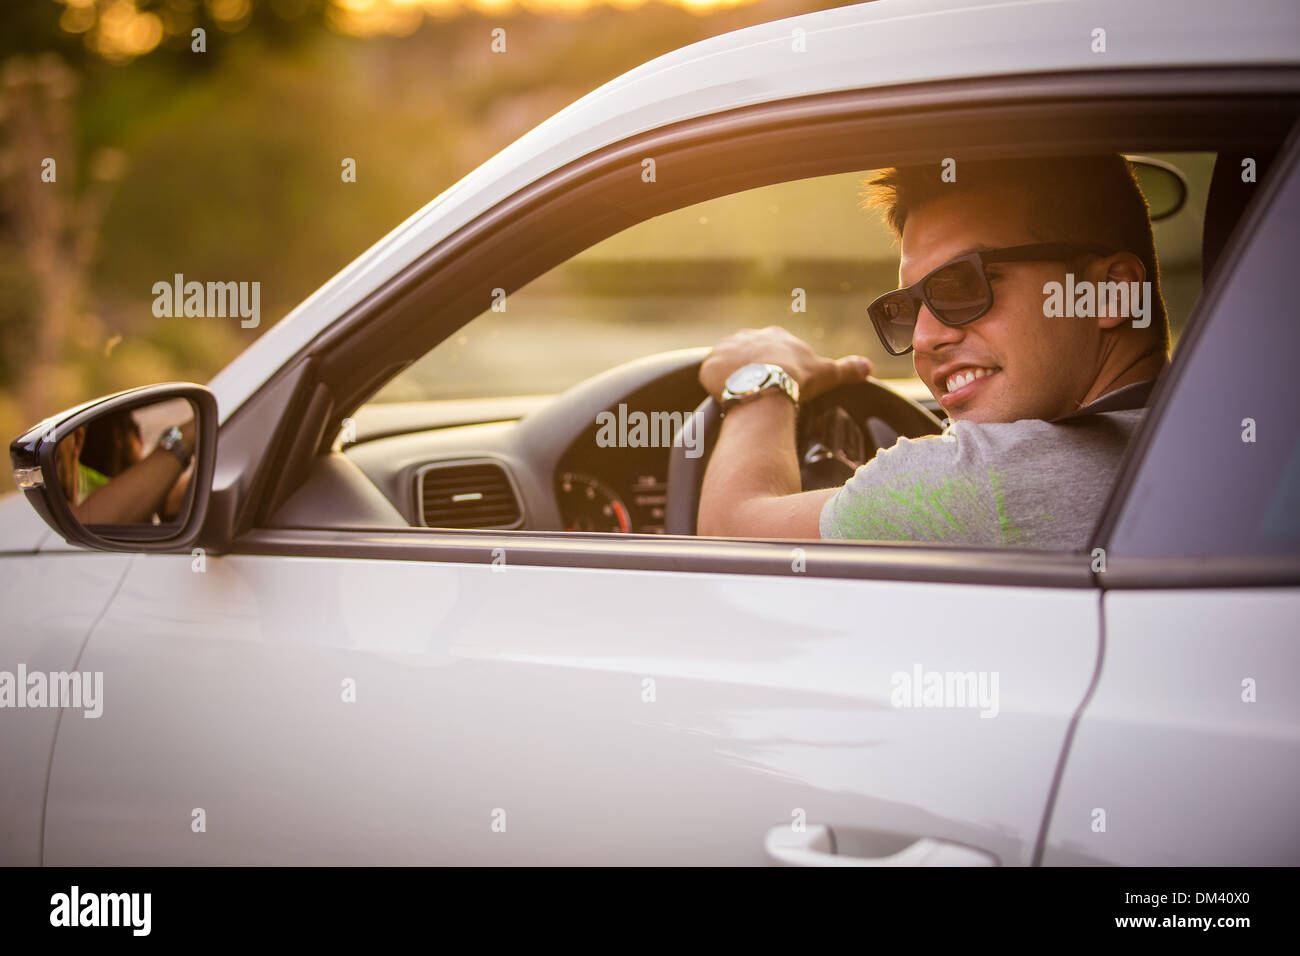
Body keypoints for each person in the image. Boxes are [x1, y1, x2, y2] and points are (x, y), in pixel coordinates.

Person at [697, 154, 1170, 549]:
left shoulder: (983, 483)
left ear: (1110, 293)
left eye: (962, 285)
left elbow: (729, 538)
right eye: (905, 307)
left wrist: (763, 381)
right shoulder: (1208, 437)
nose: (923, 340)